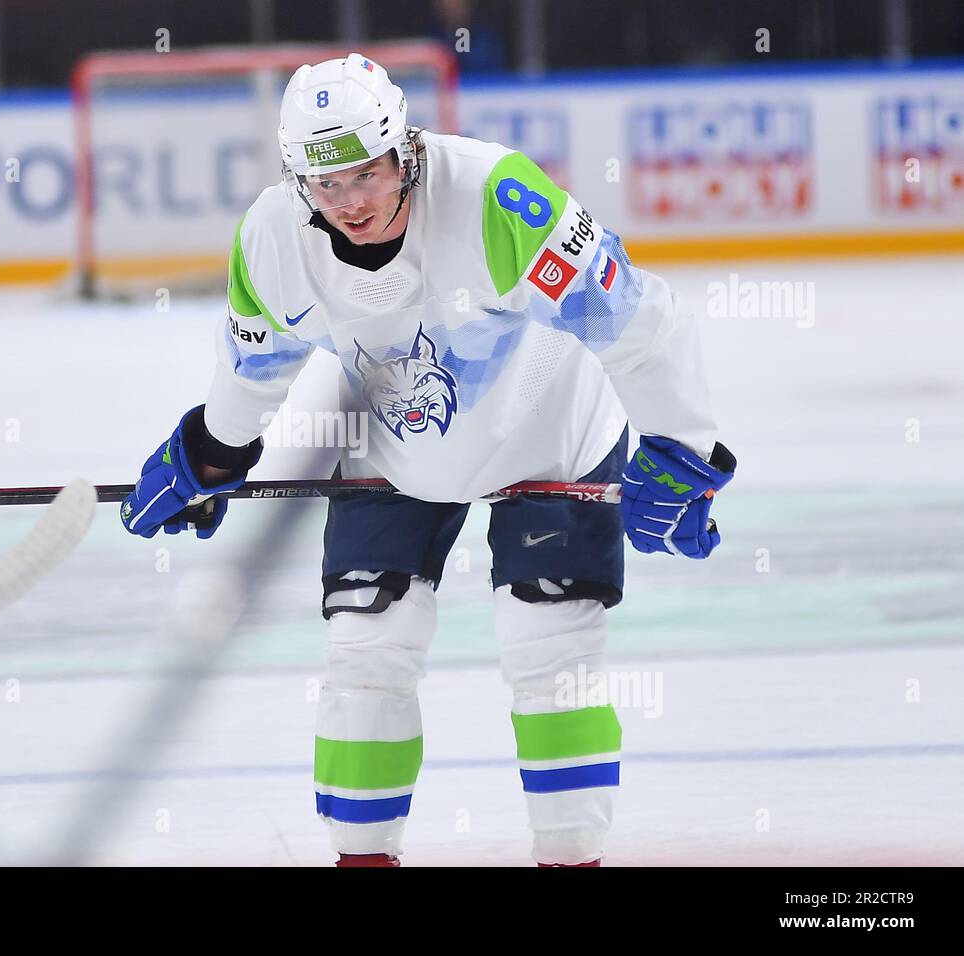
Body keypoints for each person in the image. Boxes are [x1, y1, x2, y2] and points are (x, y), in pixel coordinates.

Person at [119, 53, 736, 867]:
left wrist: (681, 451)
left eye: (367, 175)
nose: (351, 204)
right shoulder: (272, 235)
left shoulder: (498, 201)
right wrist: (209, 452)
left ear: (403, 149)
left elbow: (638, 321)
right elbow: (254, 370)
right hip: (390, 444)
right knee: (364, 651)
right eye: (326, 185)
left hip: (549, 429)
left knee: (547, 645)